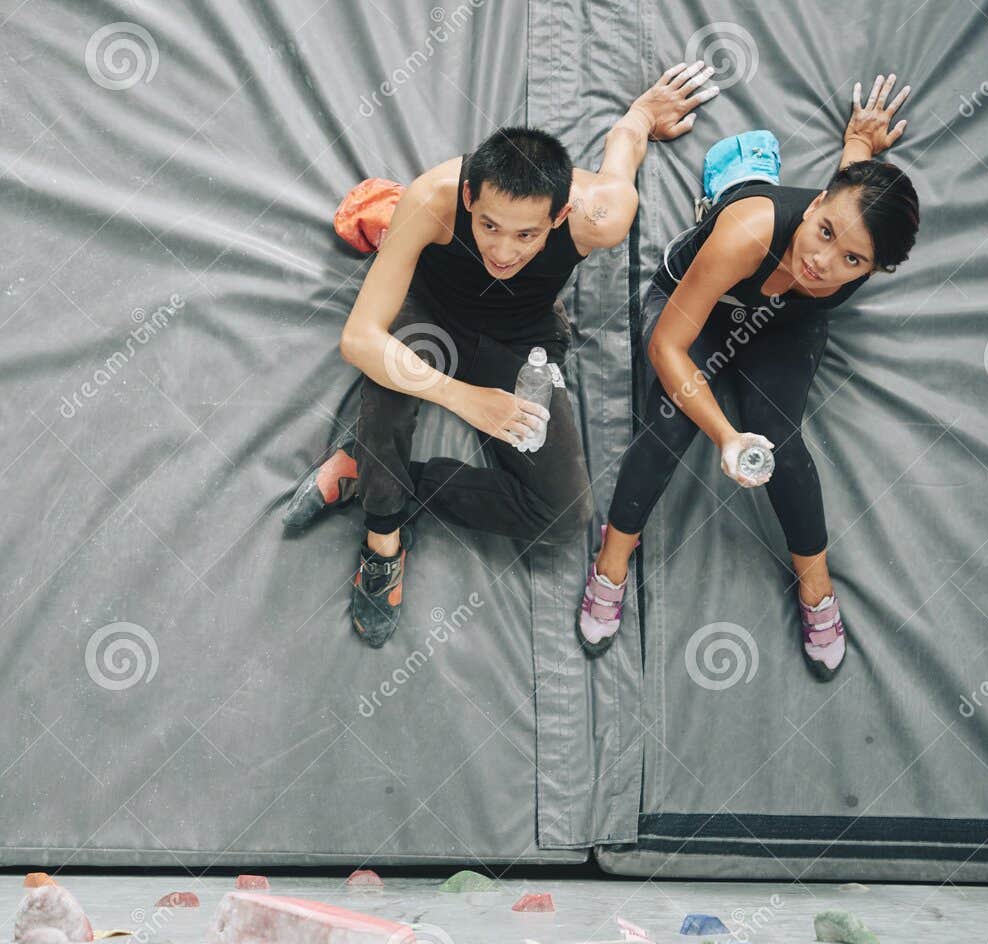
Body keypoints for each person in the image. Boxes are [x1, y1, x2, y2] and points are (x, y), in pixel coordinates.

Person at [284, 63, 720, 647]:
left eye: (525, 235)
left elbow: (623, 154)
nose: (502, 249)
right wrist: (466, 401)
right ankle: (383, 537)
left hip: (520, 338)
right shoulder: (433, 196)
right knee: (387, 370)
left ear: (560, 217)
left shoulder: (603, 216)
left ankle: (366, 469)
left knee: (562, 516)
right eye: (488, 225)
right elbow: (359, 337)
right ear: (469, 196)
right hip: (430, 311)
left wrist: (641, 115)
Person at [576, 74, 920, 681]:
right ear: (812, 204)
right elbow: (667, 347)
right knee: (669, 426)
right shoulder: (751, 233)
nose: (822, 261)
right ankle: (611, 562)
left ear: (876, 269)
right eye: (825, 232)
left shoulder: (849, 239)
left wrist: (860, 146)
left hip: (785, 324)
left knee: (783, 443)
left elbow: (851, 202)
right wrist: (725, 437)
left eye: (853, 261)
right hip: (701, 306)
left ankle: (817, 591)